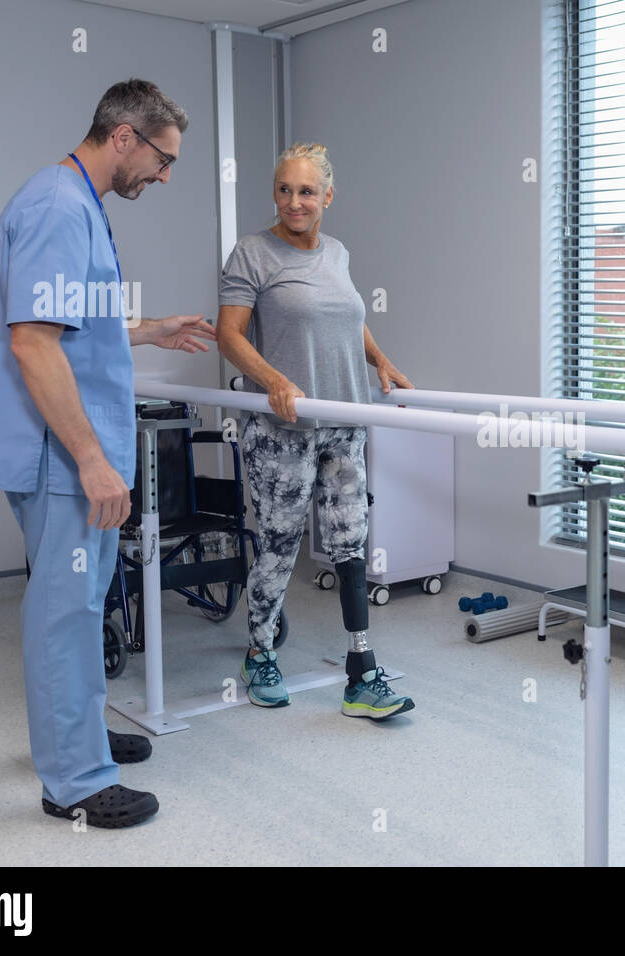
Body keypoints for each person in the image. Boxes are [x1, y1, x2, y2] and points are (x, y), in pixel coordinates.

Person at [0, 79, 217, 828]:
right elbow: (33, 341)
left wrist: (148, 330)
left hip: (72, 448)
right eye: (163, 159)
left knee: (81, 604)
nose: (165, 176)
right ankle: (73, 781)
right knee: (65, 612)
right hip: (61, 454)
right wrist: (92, 459)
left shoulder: (77, 202)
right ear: (124, 137)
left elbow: (73, 319)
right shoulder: (58, 206)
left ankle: (77, 733)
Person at [218, 143, 415, 718]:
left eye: (306, 191)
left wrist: (380, 360)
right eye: (284, 189)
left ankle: (361, 671)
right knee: (280, 548)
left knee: (350, 546)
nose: (294, 201)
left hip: (345, 423)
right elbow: (229, 336)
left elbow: (350, 319)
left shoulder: (337, 253)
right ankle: (260, 652)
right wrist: (274, 381)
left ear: (328, 196)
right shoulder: (252, 253)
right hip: (283, 428)